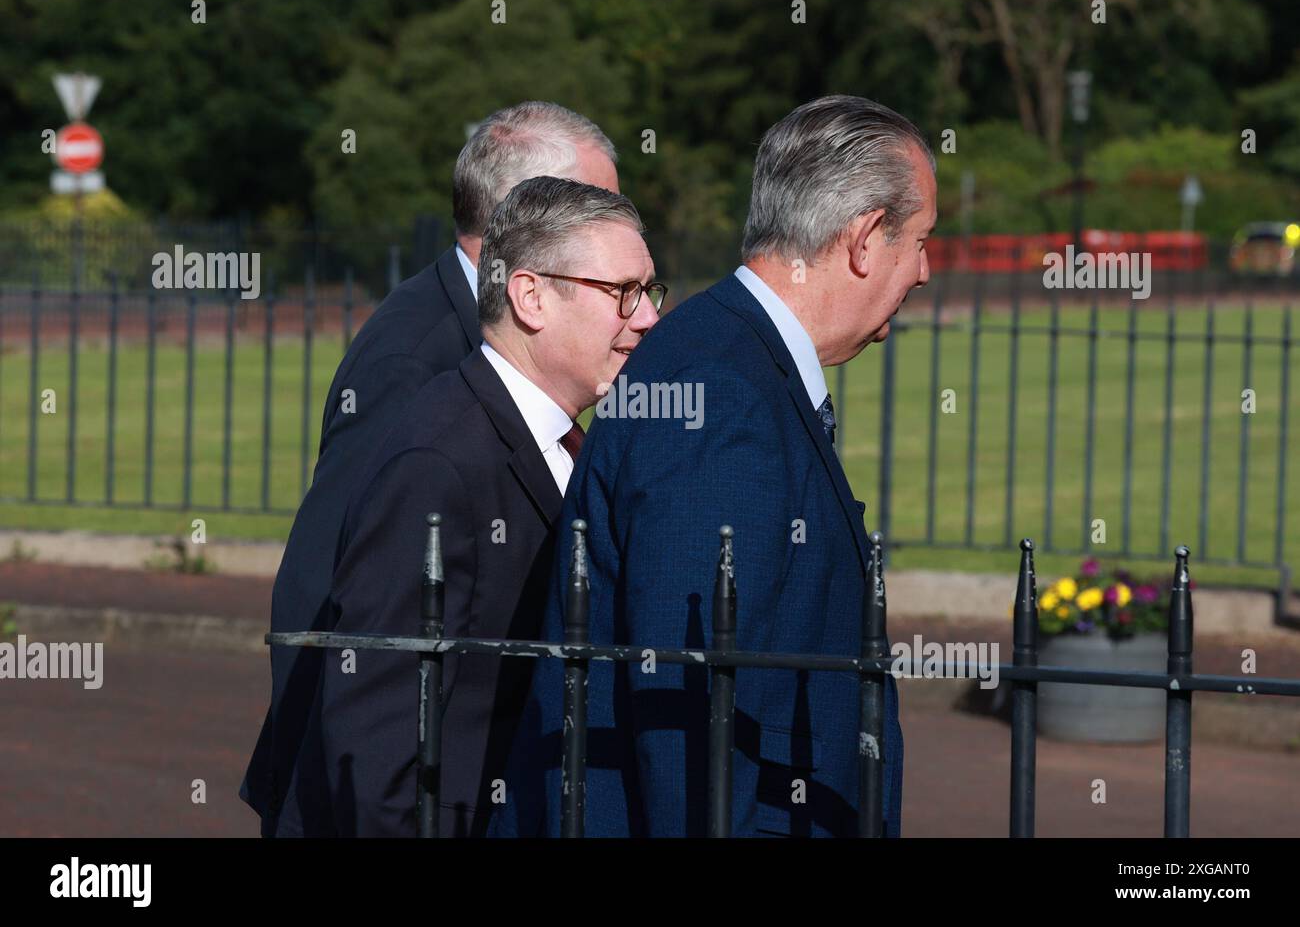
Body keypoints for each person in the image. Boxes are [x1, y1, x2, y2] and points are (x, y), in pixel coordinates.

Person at [492, 95, 936, 837]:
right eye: (920, 240)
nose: (923, 270)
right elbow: (688, 702)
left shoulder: (728, 356)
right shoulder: (723, 391)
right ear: (864, 239)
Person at [241, 103, 620, 836]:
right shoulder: (420, 358)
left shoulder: (473, 326)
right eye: (592, 205)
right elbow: (327, 588)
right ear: (526, 217)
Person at [319, 176, 663, 836]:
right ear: (530, 295)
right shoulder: (437, 461)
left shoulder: (568, 436)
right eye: (623, 291)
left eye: (649, 291)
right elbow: (374, 732)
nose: (646, 316)